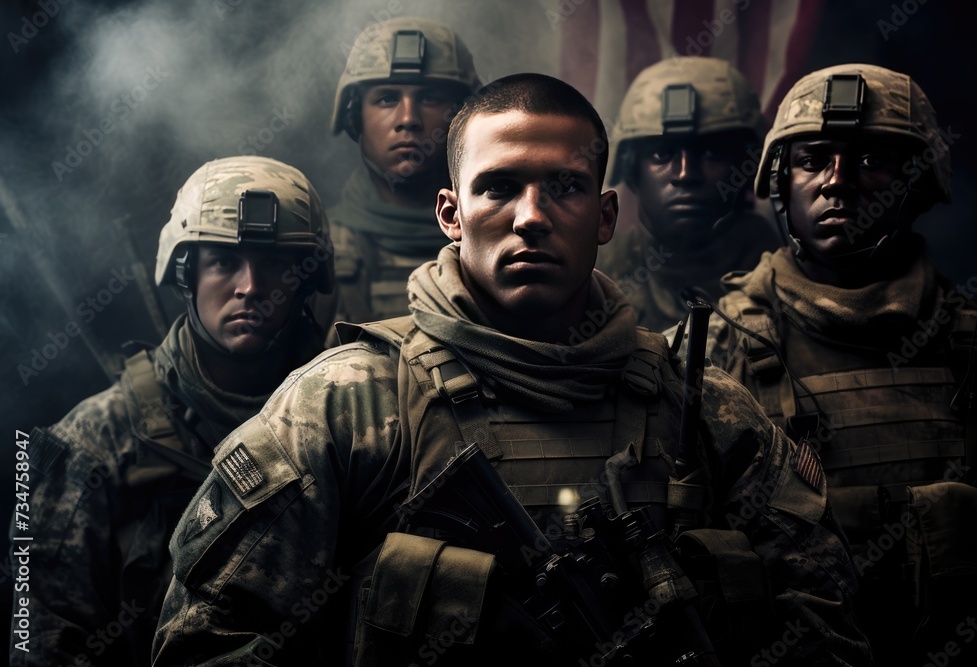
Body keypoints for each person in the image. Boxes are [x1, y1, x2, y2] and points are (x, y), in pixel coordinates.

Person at [152, 74, 870, 666]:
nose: (531, 216)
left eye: (564, 187)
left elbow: (827, 627)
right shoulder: (345, 403)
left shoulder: (708, 408)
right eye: (498, 187)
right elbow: (206, 642)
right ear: (451, 213)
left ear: (606, 214)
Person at [695, 63, 977, 663]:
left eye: (870, 161)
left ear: (917, 184)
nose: (838, 182)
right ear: (781, 182)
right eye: (811, 160)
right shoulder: (712, 349)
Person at [10, 156, 332, 666]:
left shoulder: (356, 414)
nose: (250, 285)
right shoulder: (94, 440)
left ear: (307, 279)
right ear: (185, 273)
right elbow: (45, 640)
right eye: (224, 262)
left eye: (274, 263)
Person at [308, 16, 480, 342]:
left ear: (463, 116)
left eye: (430, 99)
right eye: (387, 98)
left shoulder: (499, 239)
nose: (408, 119)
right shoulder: (314, 251)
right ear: (353, 116)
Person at [598, 57, 781, 332]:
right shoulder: (591, 278)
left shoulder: (787, 282)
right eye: (662, 153)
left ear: (749, 168)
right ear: (631, 170)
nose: (685, 174)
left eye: (712, 153)